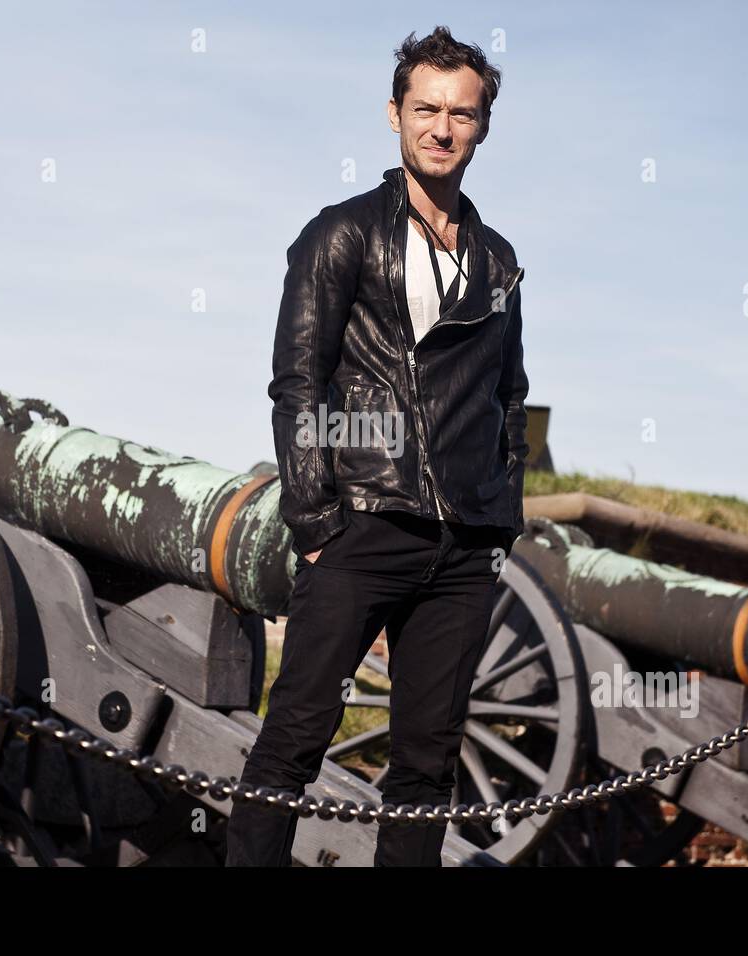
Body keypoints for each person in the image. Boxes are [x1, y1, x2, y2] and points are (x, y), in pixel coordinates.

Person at [225, 25, 529, 867]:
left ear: (482, 127)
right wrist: (318, 523)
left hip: (463, 548)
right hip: (359, 528)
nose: (441, 127)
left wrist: (498, 516)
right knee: (292, 743)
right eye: (425, 109)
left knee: (427, 768)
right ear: (393, 115)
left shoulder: (499, 262)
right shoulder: (339, 234)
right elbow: (297, 384)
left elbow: (512, 396)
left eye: (460, 114)